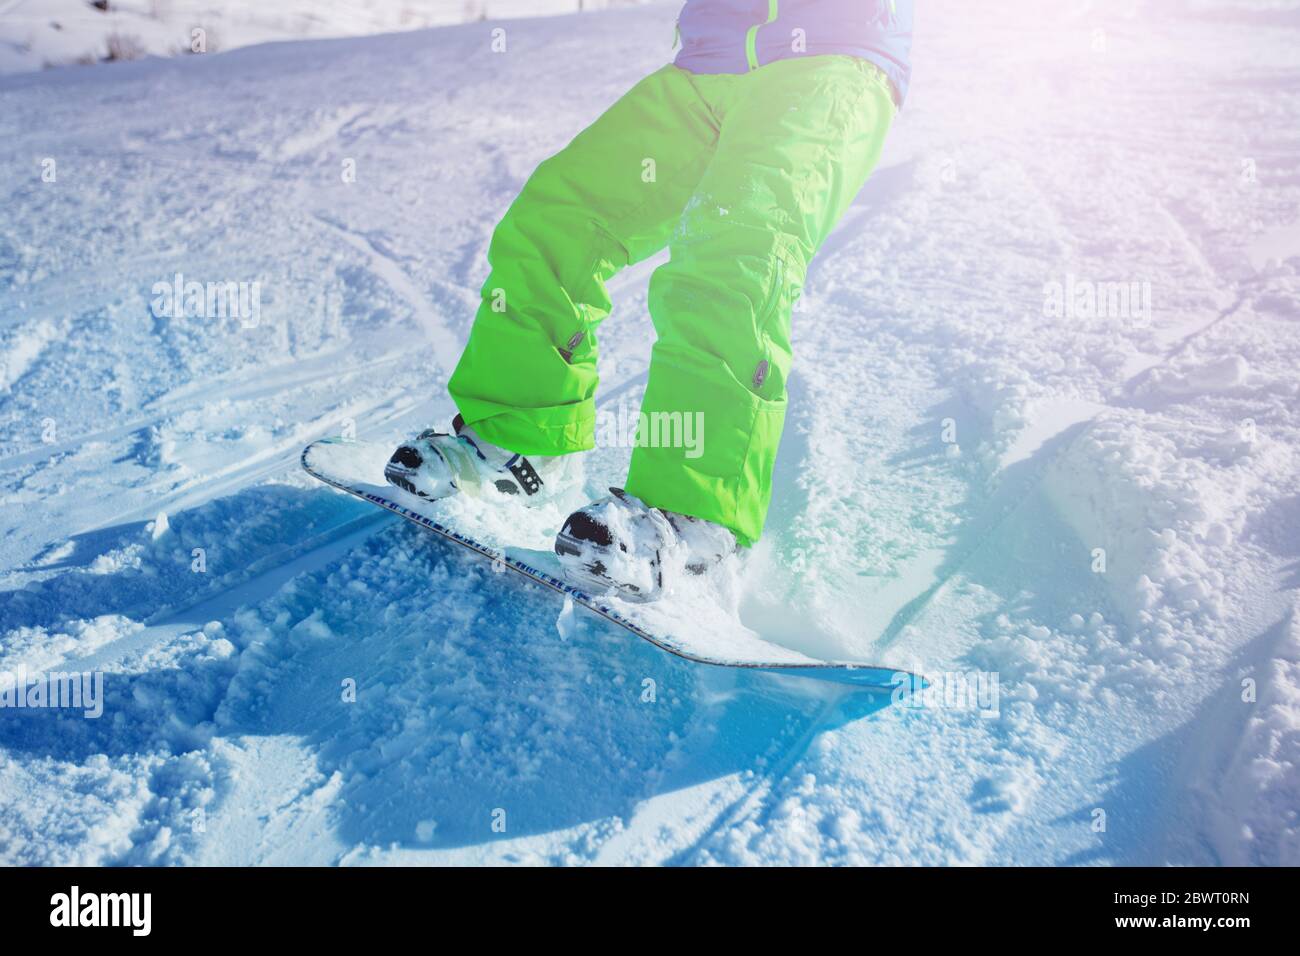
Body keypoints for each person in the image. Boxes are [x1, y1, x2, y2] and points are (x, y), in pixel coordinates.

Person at [385, 0, 914, 600]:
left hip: (828, 55)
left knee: (732, 252)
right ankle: (522, 445)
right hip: (711, 57)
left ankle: (696, 524)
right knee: (558, 221)